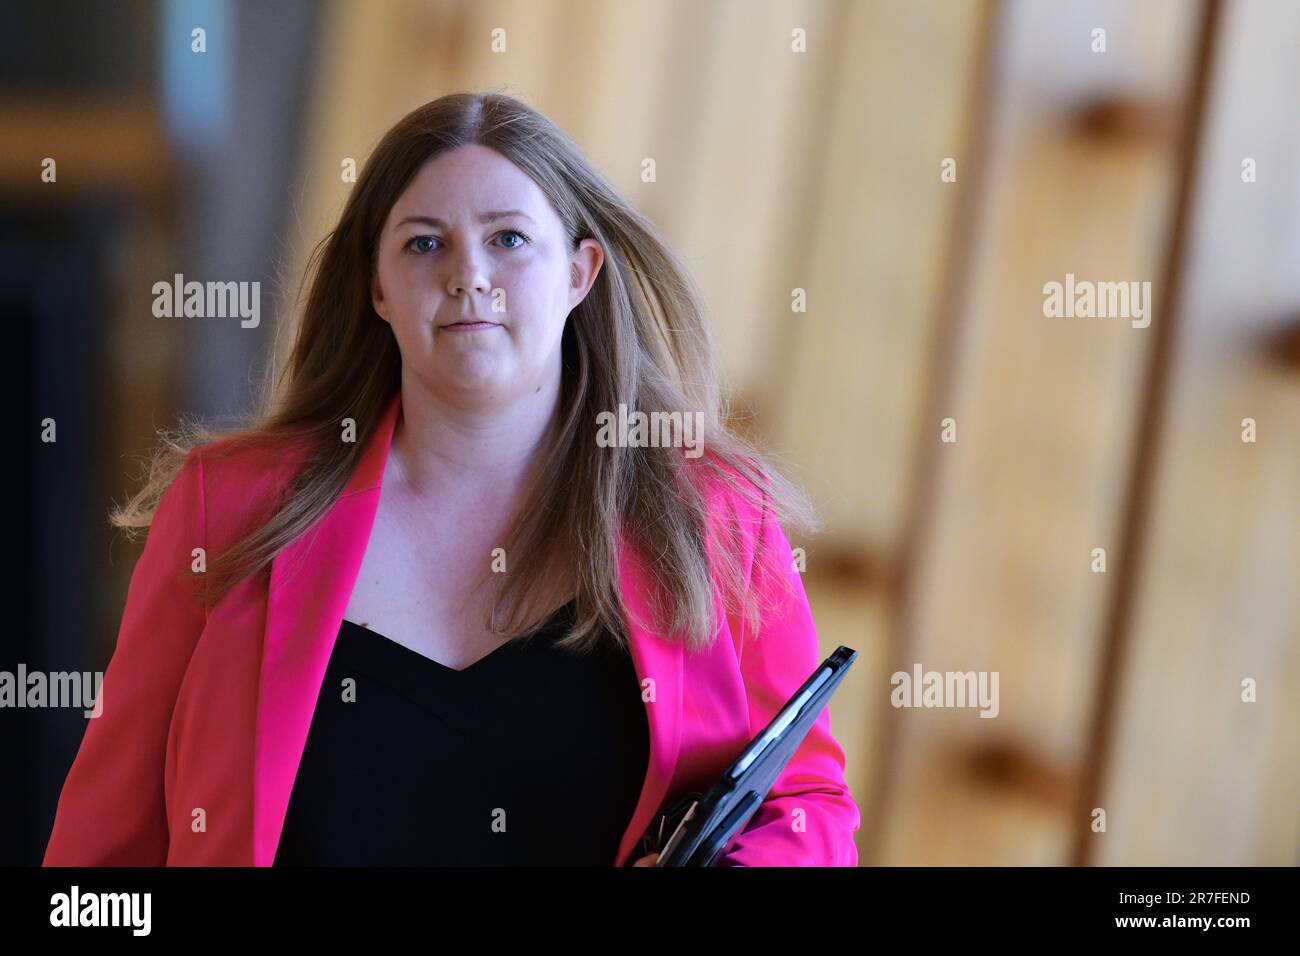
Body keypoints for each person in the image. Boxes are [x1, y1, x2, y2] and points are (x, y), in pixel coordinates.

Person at [43, 91, 860, 867]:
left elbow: (811, 806)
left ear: (580, 274)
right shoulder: (230, 507)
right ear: (377, 287)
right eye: (424, 243)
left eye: (508, 239)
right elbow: (102, 848)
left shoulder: (714, 516)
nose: (469, 274)